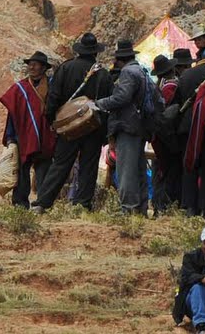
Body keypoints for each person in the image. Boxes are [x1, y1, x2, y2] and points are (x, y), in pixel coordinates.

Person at [32, 32, 111, 212]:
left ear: (79, 50)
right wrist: (104, 133)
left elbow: (53, 97)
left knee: (60, 164)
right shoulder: (103, 74)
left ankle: (43, 202)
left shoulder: (66, 68)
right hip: (93, 127)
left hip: (68, 126)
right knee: (89, 166)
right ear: (95, 52)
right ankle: (82, 205)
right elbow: (108, 105)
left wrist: (52, 120)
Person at [94, 38, 152, 215]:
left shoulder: (127, 72)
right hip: (140, 126)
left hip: (127, 125)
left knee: (125, 170)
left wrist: (99, 103)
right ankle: (141, 208)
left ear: (119, 59)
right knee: (139, 169)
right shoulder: (141, 71)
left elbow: (122, 97)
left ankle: (128, 208)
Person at [0, 51, 54, 209]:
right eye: (30, 64)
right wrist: (10, 136)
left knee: (43, 169)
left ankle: (43, 203)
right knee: (22, 171)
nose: (31, 67)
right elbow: (12, 113)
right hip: (23, 135)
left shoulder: (52, 86)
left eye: (35, 64)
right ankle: (20, 203)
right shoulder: (20, 88)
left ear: (43, 68)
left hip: (45, 134)